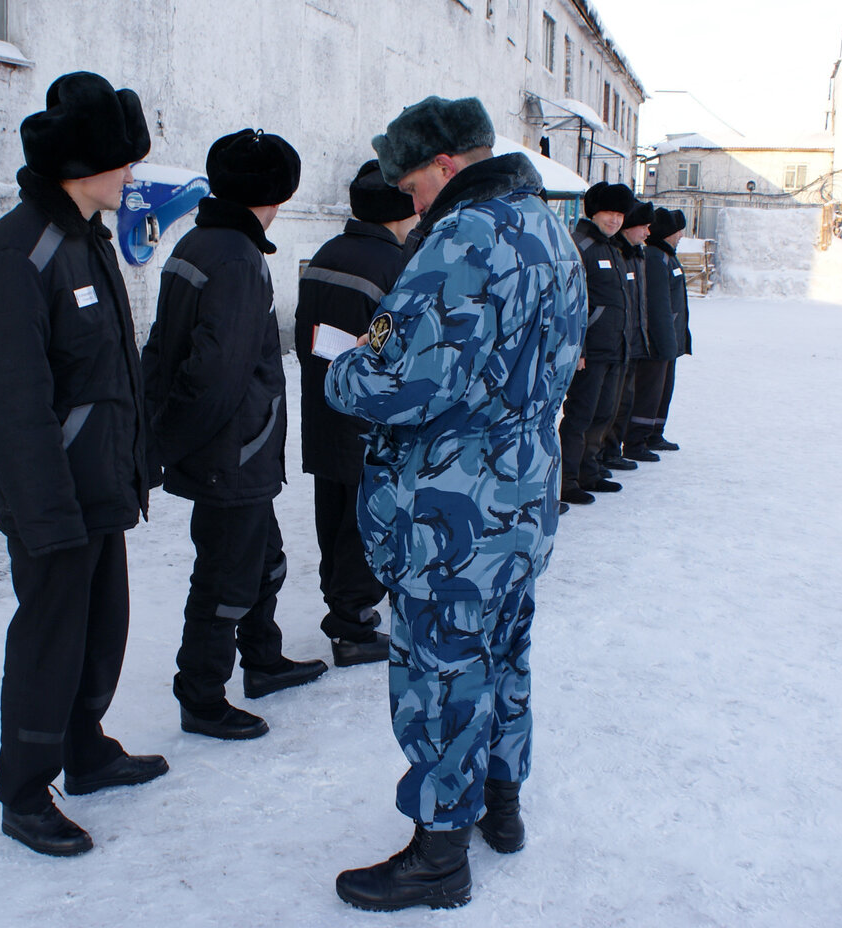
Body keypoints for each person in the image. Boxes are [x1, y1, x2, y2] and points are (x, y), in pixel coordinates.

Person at [325, 96, 586, 911]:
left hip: (453, 510)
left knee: (441, 673)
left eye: (413, 186)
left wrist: (343, 370)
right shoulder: (549, 230)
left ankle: (439, 853)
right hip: (523, 494)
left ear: (445, 164)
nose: (413, 204)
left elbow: (399, 376)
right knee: (503, 653)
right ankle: (499, 807)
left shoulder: (467, 236)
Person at [0, 72, 168, 858]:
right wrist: (46, 515)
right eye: (125, 163)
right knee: (49, 639)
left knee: (100, 628)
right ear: (86, 165)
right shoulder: (18, 255)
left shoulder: (88, 238)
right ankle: (25, 789)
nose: (134, 176)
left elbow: (109, 369)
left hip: (98, 488)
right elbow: (17, 407)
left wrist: (132, 464)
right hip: (54, 501)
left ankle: (86, 749)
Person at [141, 129, 328, 742]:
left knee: (263, 560)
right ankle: (201, 694)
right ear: (271, 193)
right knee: (225, 578)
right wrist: (171, 442)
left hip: (236, 448)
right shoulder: (238, 260)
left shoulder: (199, 243)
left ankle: (264, 658)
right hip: (233, 453)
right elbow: (213, 375)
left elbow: (163, 348)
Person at [294, 160, 418, 667]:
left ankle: (345, 610)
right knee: (365, 525)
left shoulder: (328, 252)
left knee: (335, 518)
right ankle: (352, 625)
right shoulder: (395, 267)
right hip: (369, 421)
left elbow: (307, 335)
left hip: (323, 407)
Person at [558, 180, 635, 505]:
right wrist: (580, 349)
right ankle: (565, 480)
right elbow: (573, 302)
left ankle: (589, 470)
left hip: (614, 348)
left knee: (604, 412)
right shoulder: (581, 245)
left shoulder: (612, 248)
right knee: (580, 415)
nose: (615, 220)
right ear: (595, 212)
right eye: (609, 213)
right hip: (589, 352)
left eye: (620, 214)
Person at [602, 199, 654, 469]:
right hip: (616, 340)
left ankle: (611, 451)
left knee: (623, 402)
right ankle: (602, 454)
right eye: (643, 227)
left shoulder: (637, 254)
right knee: (609, 404)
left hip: (631, 340)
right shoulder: (619, 254)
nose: (647, 233)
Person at [638, 207, 690, 453]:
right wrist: (667, 342)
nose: (680, 236)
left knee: (663, 390)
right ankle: (639, 438)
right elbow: (658, 306)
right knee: (650, 391)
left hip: (670, 340)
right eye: (678, 231)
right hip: (659, 342)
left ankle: (655, 433)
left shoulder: (667, 256)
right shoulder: (656, 258)